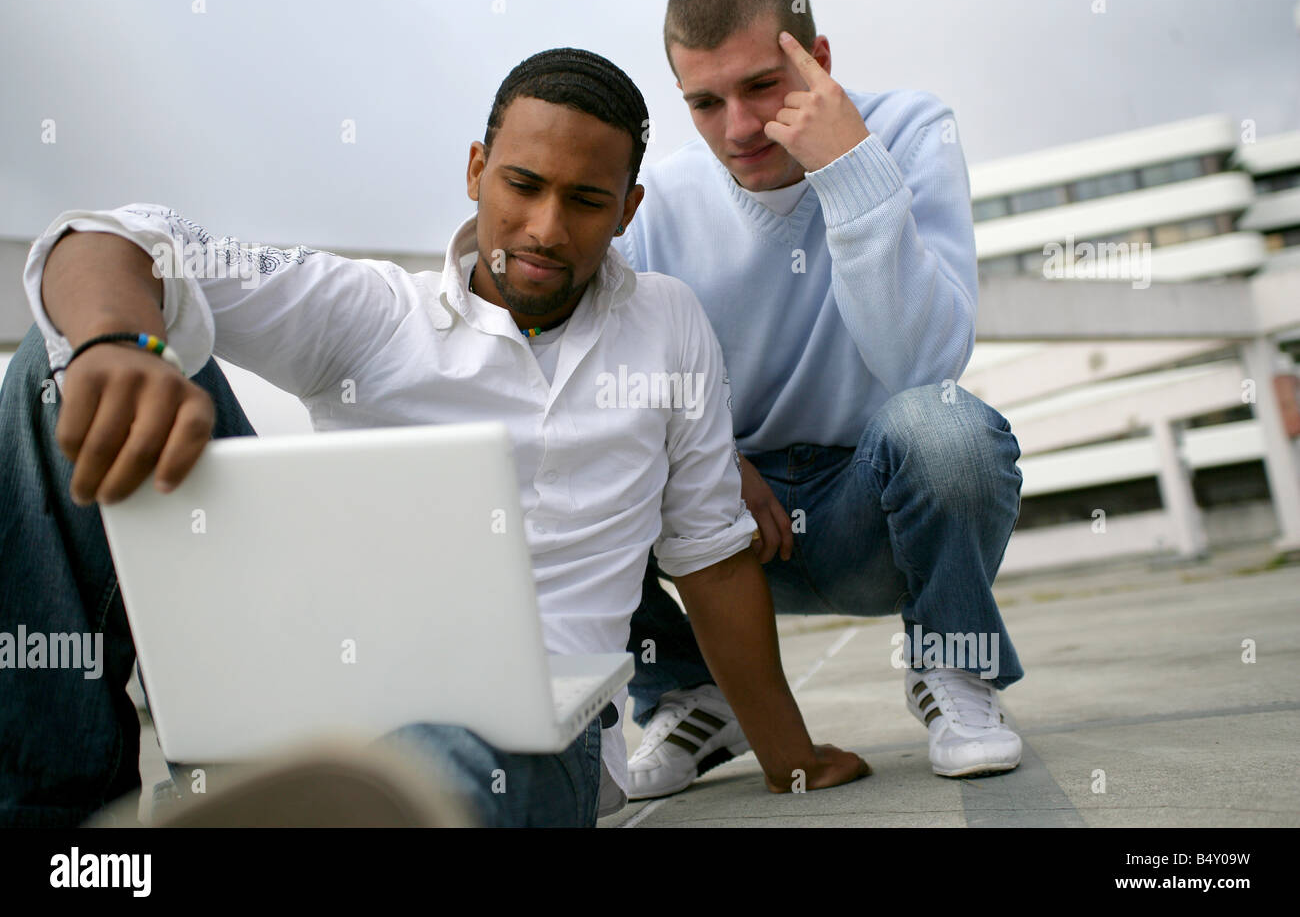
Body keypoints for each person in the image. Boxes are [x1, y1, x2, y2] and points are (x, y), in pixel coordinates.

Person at [0, 47, 869, 828]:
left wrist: (791, 759)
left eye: (586, 200)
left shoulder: (668, 324)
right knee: (60, 353)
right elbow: (114, 236)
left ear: (628, 208)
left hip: (522, 739)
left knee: (435, 763)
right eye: (522, 186)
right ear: (476, 170)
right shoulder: (375, 315)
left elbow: (711, 560)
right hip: (304, 703)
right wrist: (123, 346)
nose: (545, 230)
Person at [612, 0, 1027, 800]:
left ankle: (951, 668)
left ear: (818, 60)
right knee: (571, 454)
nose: (737, 128)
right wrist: (717, 465)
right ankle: (690, 695)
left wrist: (849, 170)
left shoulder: (909, 129)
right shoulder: (657, 203)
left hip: (867, 511)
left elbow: (924, 367)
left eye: (762, 86)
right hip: (726, 530)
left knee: (948, 426)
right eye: (704, 103)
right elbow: (609, 383)